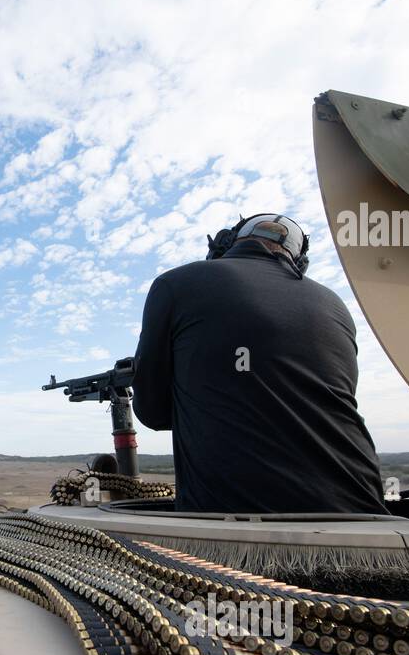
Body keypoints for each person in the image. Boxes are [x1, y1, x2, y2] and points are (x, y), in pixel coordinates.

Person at [131, 213, 386, 515]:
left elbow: (152, 412)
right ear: (299, 260)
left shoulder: (175, 284)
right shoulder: (335, 304)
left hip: (232, 520)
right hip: (361, 511)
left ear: (224, 245)